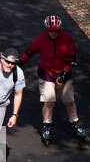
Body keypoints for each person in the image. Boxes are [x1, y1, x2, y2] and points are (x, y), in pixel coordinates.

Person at [18, 15, 86, 144]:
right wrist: (19, 64)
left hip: (64, 73)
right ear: (47, 30)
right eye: (51, 31)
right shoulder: (41, 39)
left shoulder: (67, 39)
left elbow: (71, 59)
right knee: (49, 101)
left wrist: (63, 76)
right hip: (46, 73)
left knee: (69, 101)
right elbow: (29, 52)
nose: (53, 33)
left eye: (56, 31)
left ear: (59, 30)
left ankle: (75, 124)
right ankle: (47, 126)